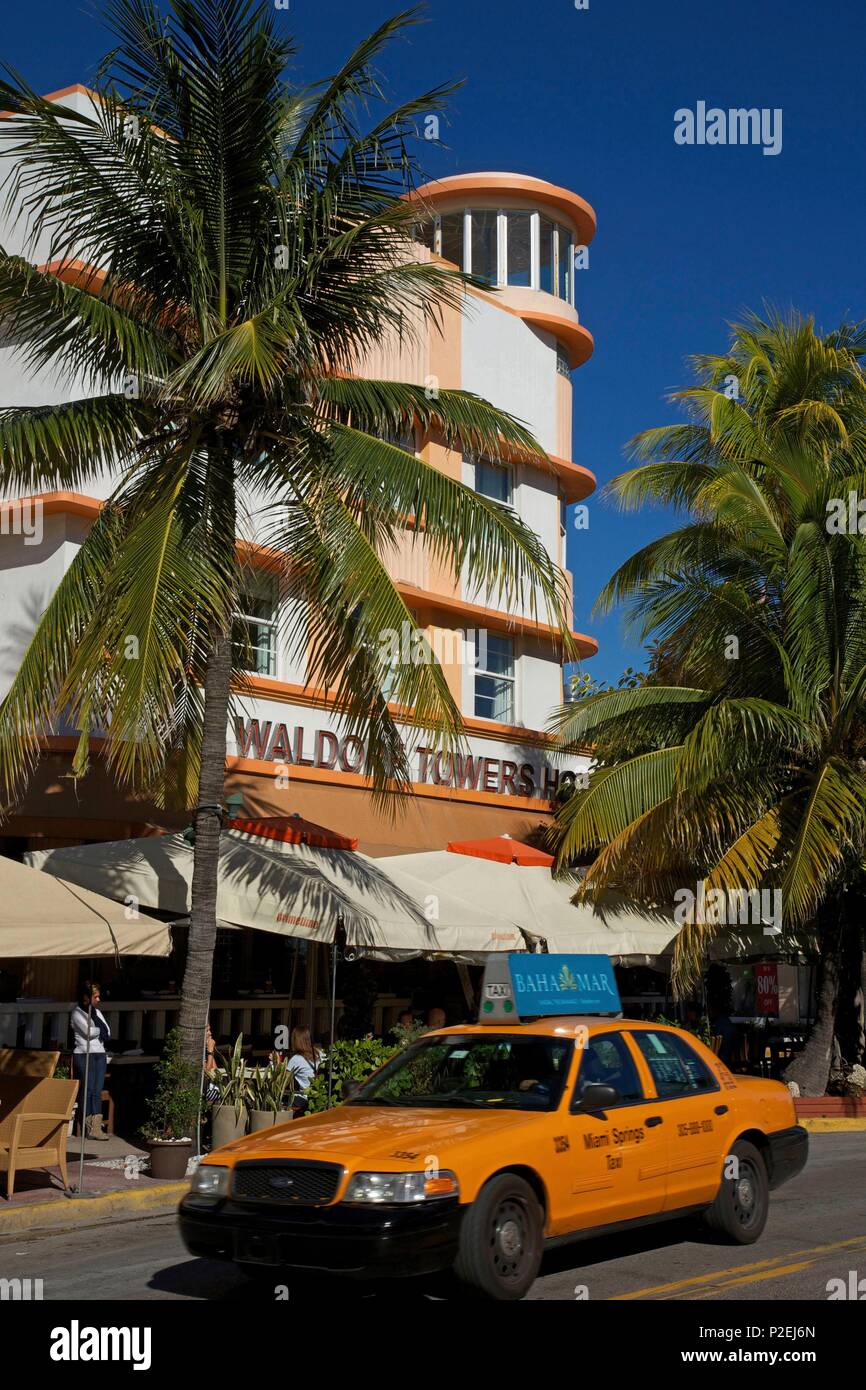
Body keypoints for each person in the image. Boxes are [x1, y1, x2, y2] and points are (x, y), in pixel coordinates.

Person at [71, 981, 110, 1141]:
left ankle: (96, 1126)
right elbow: (88, 1032)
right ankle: (87, 1124)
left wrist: (97, 1028)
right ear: (87, 997)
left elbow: (107, 1032)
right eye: (95, 996)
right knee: (87, 1089)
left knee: (97, 1090)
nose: (98, 999)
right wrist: (97, 1031)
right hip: (84, 1053)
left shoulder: (97, 1013)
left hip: (99, 1054)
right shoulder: (77, 1013)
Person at [287, 1026, 323, 1118]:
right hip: (320, 1097)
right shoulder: (320, 1054)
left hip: (304, 1098)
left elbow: (283, 1081)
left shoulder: (296, 1059)